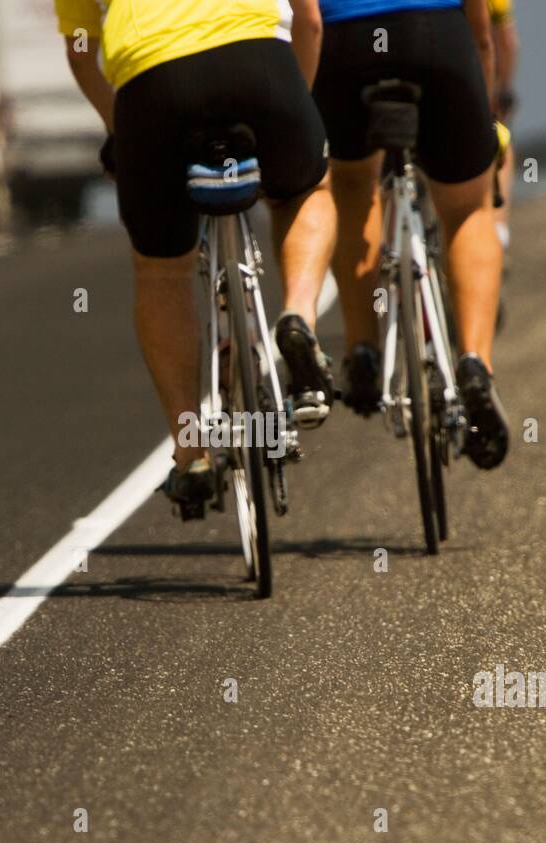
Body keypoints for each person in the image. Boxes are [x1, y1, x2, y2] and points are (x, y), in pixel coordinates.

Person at [55, 0, 338, 514]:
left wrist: (120, 129)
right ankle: (298, 316)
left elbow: (80, 54)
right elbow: (311, 19)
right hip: (258, 61)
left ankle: (191, 456)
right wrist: (299, 113)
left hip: (153, 82)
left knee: (162, 269)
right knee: (306, 191)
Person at [314, 0, 509, 469]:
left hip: (342, 45)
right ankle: (475, 366)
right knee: (467, 209)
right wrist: (481, 113)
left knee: (353, 186)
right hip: (437, 36)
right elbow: (482, 30)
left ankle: (362, 347)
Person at [488, 0, 520, 251]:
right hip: (470, 80)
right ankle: (498, 229)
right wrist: (504, 88)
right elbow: (508, 42)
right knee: (501, 141)